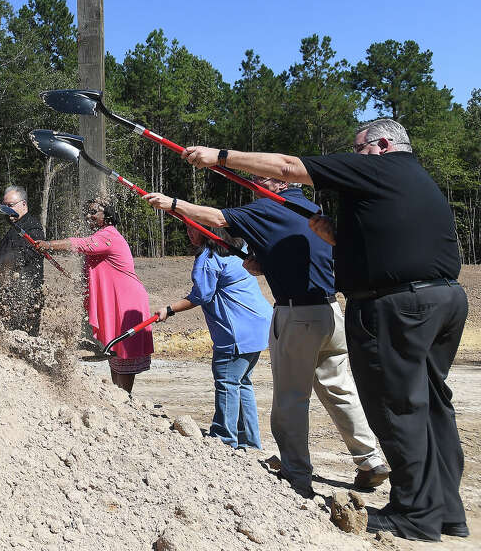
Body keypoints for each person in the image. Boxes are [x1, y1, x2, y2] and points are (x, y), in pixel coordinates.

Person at [178, 120, 467, 541]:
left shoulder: (378, 168)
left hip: (395, 305)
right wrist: (337, 238)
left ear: (382, 145)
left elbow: (288, 166)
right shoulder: (416, 181)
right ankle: (446, 511)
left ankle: (416, 514)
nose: (353, 155)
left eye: (358, 148)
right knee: (433, 404)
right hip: (444, 298)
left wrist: (219, 157)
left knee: (397, 406)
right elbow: (388, 240)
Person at [142, 178, 388, 497]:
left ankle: (296, 471)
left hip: (297, 314)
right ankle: (369, 459)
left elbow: (216, 218)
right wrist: (266, 264)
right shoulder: (310, 209)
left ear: (283, 182)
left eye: (263, 178)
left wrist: (173, 204)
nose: (255, 182)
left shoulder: (269, 208)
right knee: (340, 388)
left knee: (291, 397)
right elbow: (299, 256)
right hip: (330, 311)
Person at [155, 225, 271, 450]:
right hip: (259, 325)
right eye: (186, 229)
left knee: (227, 381)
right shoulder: (238, 248)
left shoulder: (208, 259)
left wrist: (169, 309)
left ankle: (224, 441)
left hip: (236, 332)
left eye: (193, 229)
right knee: (241, 383)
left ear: (206, 229)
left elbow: (201, 295)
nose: (189, 234)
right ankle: (249, 442)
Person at [35, 200, 151, 393]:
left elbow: (81, 244)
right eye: (87, 213)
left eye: (94, 212)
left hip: (126, 301)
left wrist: (49, 244)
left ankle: (124, 398)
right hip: (117, 299)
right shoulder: (102, 235)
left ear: (107, 215)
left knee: (123, 353)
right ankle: (119, 396)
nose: (88, 216)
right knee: (115, 352)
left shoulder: (108, 235)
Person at [0, 186, 45, 335]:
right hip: (8, 291)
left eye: (10, 205)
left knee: (23, 336)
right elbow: (3, 254)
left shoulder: (32, 227)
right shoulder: (14, 228)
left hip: (26, 293)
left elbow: (26, 255)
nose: (6, 210)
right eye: (4, 206)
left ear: (23, 204)